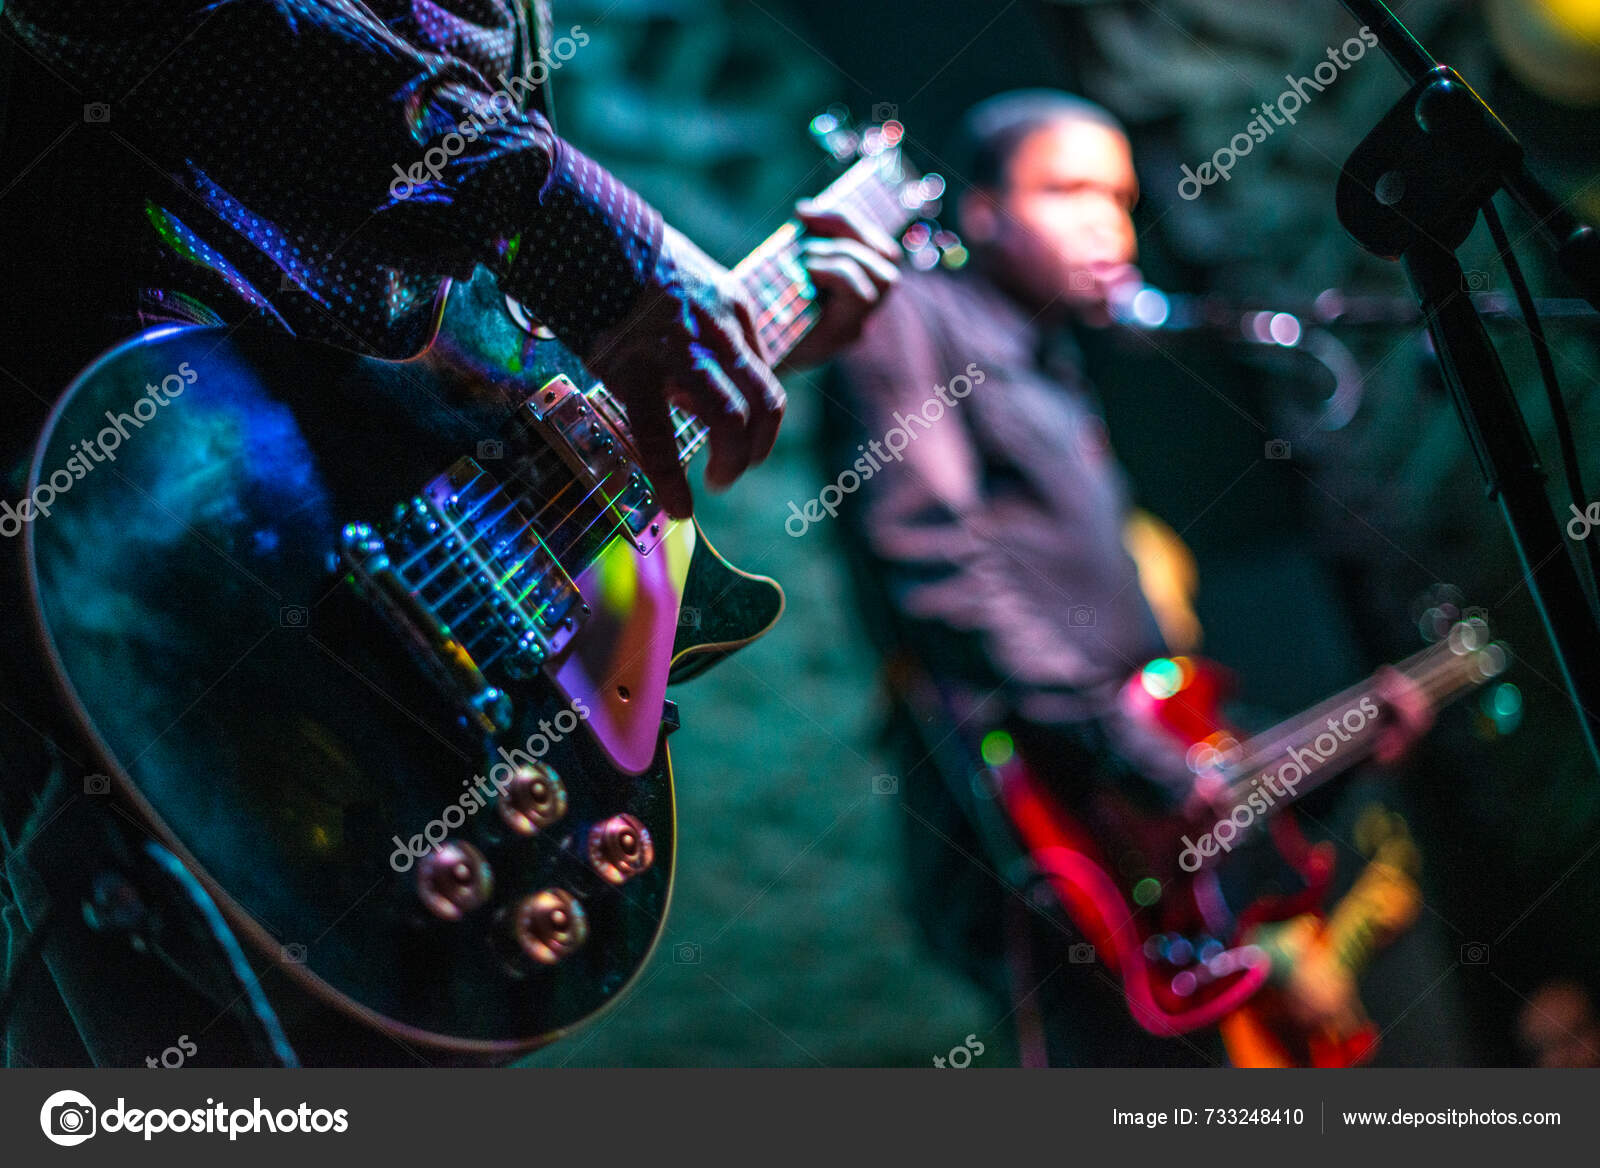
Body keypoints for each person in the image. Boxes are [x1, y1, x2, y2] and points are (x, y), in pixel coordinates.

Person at [0, 1, 896, 1066]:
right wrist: (608, 246)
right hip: (172, 563)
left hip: (397, 667)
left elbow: (446, 320)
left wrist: (729, 345)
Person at [823, 90, 1432, 1065]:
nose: (1107, 222)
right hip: (1035, 819)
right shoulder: (911, 315)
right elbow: (935, 560)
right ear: (981, 211)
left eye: (1117, 195)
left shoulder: (1054, 365)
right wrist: (1135, 756)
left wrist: (1322, 747)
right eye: (1066, 190)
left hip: (1120, 807)